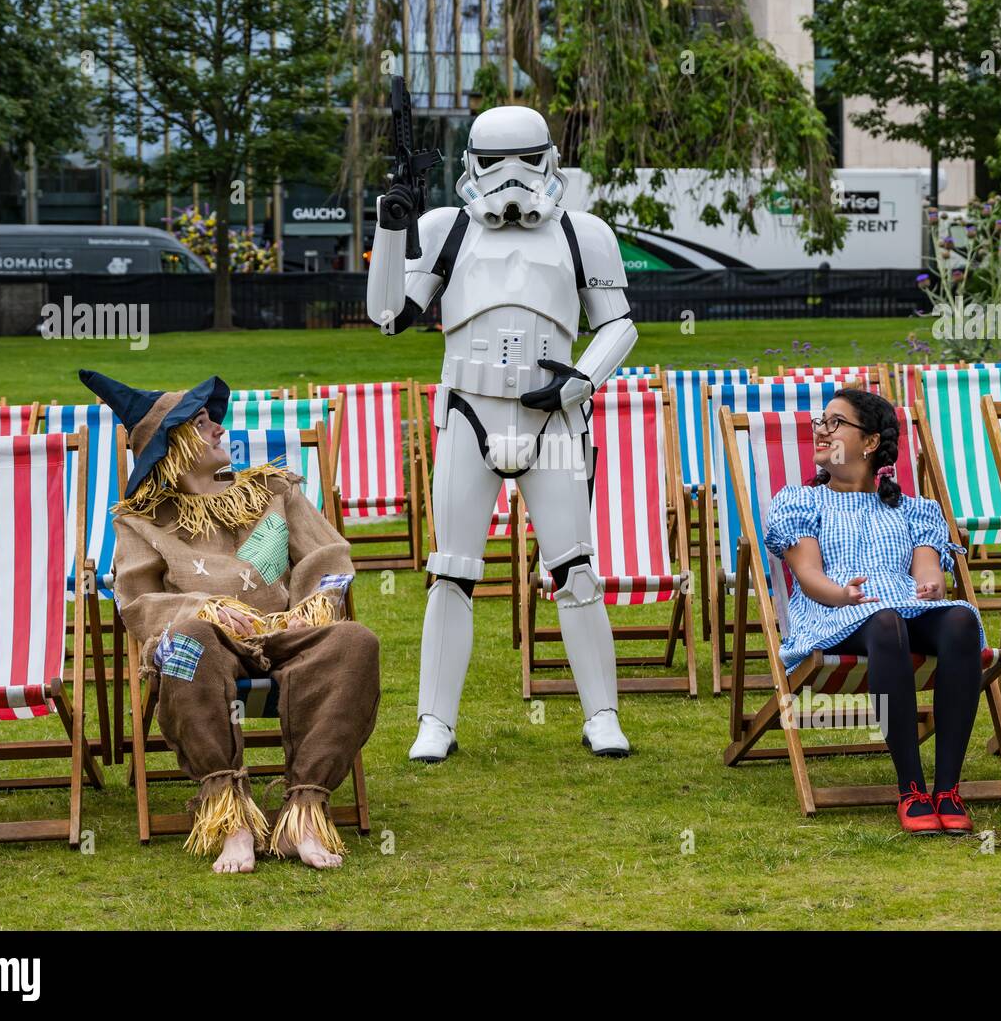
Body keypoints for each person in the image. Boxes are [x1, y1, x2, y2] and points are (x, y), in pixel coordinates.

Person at [365, 103, 638, 762]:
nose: (511, 176)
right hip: (470, 407)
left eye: (524, 158)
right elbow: (385, 315)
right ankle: (436, 719)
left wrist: (579, 379)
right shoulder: (444, 229)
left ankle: (601, 713)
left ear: (547, 158)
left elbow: (619, 324)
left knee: (573, 566)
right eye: (495, 162)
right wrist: (391, 227)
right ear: (471, 165)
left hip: (554, 415)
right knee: (451, 569)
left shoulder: (584, 232)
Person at [81, 369, 381, 873]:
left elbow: (326, 557)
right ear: (173, 445)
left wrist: (308, 610)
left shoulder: (272, 490)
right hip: (209, 646)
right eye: (202, 423)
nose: (219, 428)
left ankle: (302, 816)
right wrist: (206, 609)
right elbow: (137, 602)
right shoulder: (142, 522)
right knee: (184, 643)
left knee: (356, 642)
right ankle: (232, 819)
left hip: (288, 633)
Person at [763, 388, 984, 835]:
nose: (821, 431)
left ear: (868, 443)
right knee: (885, 622)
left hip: (904, 609)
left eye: (834, 422)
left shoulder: (914, 509)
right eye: (819, 423)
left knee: (960, 619)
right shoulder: (802, 502)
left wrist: (931, 583)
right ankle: (911, 789)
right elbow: (808, 576)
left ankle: (947, 789)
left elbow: (928, 573)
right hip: (834, 612)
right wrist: (842, 594)